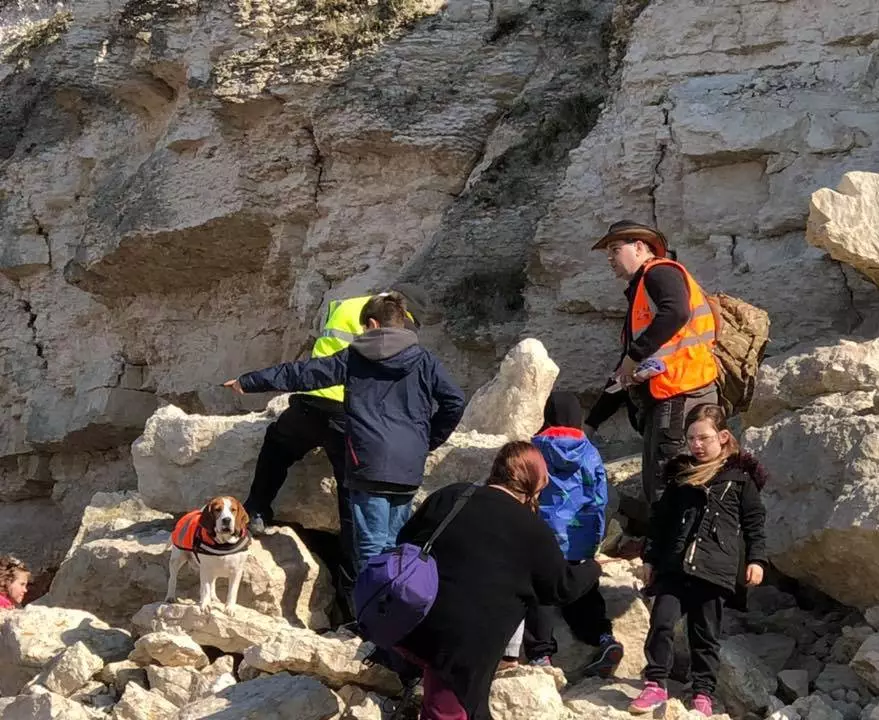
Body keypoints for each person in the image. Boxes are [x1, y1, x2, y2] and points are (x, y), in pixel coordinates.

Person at [225, 292, 465, 583]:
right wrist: (427, 441)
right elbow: (455, 402)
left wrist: (248, 382)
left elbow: (303, 374)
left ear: (373, 324)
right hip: (408, 466)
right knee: (397, 547)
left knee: (370, 548)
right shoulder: (425, 360)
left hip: (368, 462)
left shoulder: (358, 357)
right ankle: (395, 613)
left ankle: (368, 618)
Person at [396, 441, 602, 720]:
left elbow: (405, 539)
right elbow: (560, 588)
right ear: (534, 482)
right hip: (461, 646)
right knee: (451, 710)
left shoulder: (454, 495)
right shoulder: (530, 528)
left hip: (409, 617)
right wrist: (592, 568)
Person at [628, 404, 767, 717]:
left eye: (703, 437)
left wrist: (757, 559)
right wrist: (650, 557)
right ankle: (655, 684)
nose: (696, 445)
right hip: (674, 565)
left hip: (714, 568)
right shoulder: (681, 475)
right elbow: (661, 519)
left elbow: (754, 522)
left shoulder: (740, 479)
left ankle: (703, 692)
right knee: (662, 621)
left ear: (723, 436)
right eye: (691, 438)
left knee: (705, 635)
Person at [586, 221, 719, 507]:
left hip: (681, 392)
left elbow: (676, 312)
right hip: (669, 396)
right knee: (659, 485)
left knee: (669, 485)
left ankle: (676, 550)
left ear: (639, 247)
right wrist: (592, 422)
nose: (609, 257)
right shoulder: (641, 294)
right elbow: (626, 371)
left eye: (614, 249)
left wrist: (635, 354)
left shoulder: (660, 272)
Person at [520, 391, 623, 677]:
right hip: (580, 536)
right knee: (583, 587)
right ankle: (602, 638)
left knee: (540, 593)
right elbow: (600, 496)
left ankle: (541, 655)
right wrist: (596, 534)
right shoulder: (589, 451)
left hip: (543, 535)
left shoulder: (534, 449)